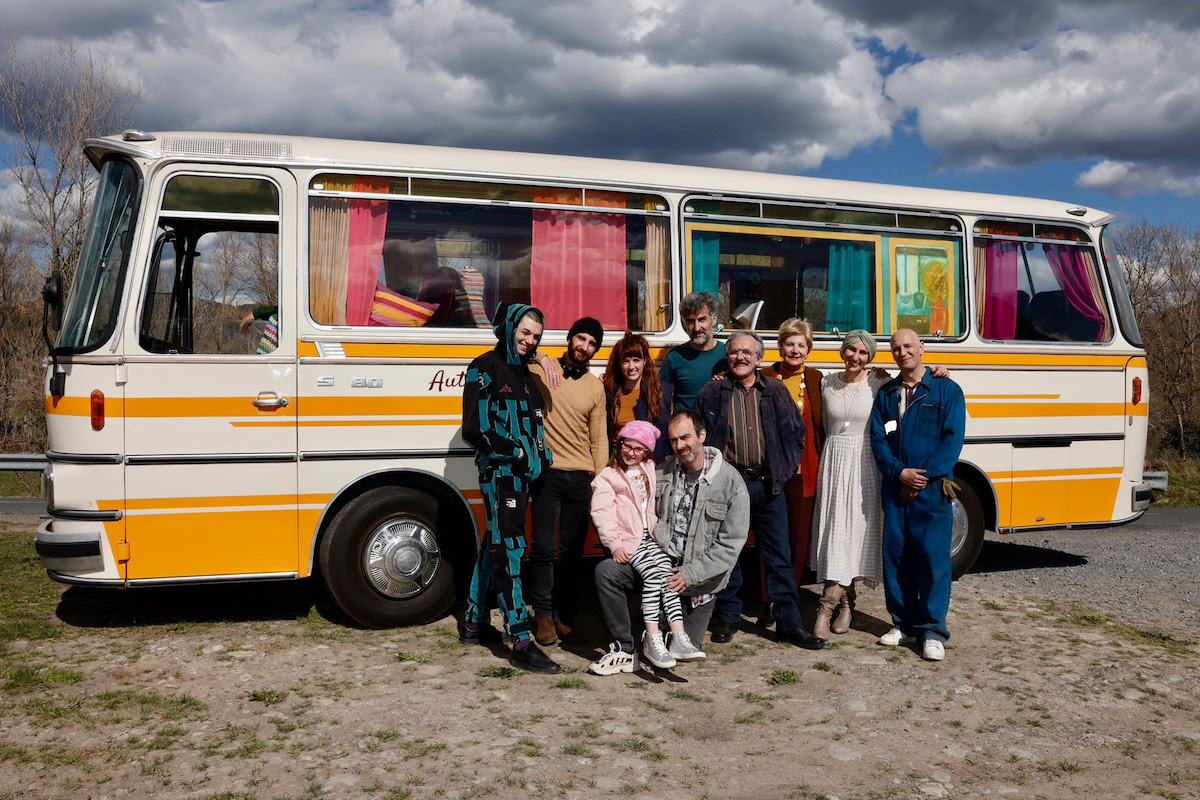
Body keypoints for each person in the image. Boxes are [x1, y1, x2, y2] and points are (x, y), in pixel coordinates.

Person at [589, 410, 749, 675]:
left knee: (686, 644)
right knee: (607, 571)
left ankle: (665, 634)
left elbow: (731, 546)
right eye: (674, 440)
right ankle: (626, 648)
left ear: (702, 435)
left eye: (685, 437)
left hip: (696, 580)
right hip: (656, 559)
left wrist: (690, 573)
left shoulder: (731, 483)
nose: (679, 446)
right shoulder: (660, 472)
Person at [697, 331, 824, 650]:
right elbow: (699, 433)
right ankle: (728, 618)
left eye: (746, 352)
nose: (740, 357)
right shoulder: (713, 391)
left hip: (768, 486)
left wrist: (782, 469)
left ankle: (789, 624)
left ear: (759, 358)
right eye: (734, 352)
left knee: (779, 557)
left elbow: (798, 434)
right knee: (729, 555)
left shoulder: (776, 391)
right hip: (729, 487)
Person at [460, 302, 560, 674]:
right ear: (509, 327)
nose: (530, 341)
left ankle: (473, 621)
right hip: (501, 474)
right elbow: (476, 429)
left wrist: (542, 457)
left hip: (526, 477)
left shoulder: (525, 374)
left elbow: (534, 426)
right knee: (512, 548)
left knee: (497, 543)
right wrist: (517, 453)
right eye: (524, 333)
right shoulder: (482, 368)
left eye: (536, 336)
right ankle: (520, 638)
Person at [870, 329, 966, 662]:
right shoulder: (886, 394)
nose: (902, 352)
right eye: (896, 348)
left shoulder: (946, 390)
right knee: (897, 558)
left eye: (908, 345)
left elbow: (952, 441)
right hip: (897, 489)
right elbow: (878, 441)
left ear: (922, 347)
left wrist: (921, 478)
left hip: (933, 490)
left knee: (933, 560)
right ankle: (903, 624)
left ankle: (933, 631)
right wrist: (899, 473)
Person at [589, 420, 706, 669]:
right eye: (626, 446)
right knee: (654, 577)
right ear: (618, 445)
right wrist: (614, 544)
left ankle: (678, 637)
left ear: (647, 452)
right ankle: (653, 638)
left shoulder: (649, 469)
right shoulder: (608, 477)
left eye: (638, 448)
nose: (631, 452)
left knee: (669, 578)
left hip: (652, 538)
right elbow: (602, 513)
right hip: (631, 541)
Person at [526, 317, 609, 646]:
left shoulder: (595, 387)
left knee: (571, 552)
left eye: (592, 344)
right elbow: (515, 353)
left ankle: (563, 616)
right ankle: (543, 616)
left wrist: (600, 481)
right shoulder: (542, 371)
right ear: (571, 338)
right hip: (549, 473)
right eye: (581, 339)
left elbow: (599, 439)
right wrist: (542, 356)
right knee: (543, 548)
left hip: (583, 478)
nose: (585, 347)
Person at [756, 318, 824, 628]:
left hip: (802, 470)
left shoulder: (816, 379)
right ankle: (769, 600)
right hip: (770, 470)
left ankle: (789, 596)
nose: (794, 350)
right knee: (771, 537)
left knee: (797, 538)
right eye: (789, 344)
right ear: (780, 347)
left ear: (808, 349)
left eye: (801, 345)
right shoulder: (765, 376)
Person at [602, 331, 674, 462]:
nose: (631, 367)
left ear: (645, 361)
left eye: (636, 360)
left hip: (649, 463)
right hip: (618, 462)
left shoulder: (660, 391)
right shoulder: (610, 392)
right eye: (626, 361)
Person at [660, 292, 727, 411]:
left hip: (719, 426)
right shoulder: (675, 357)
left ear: (714, 319)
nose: (696, 328)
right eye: (691, 321)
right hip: (686, 427)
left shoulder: (728, 355)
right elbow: (661, 402)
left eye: (702, 320)